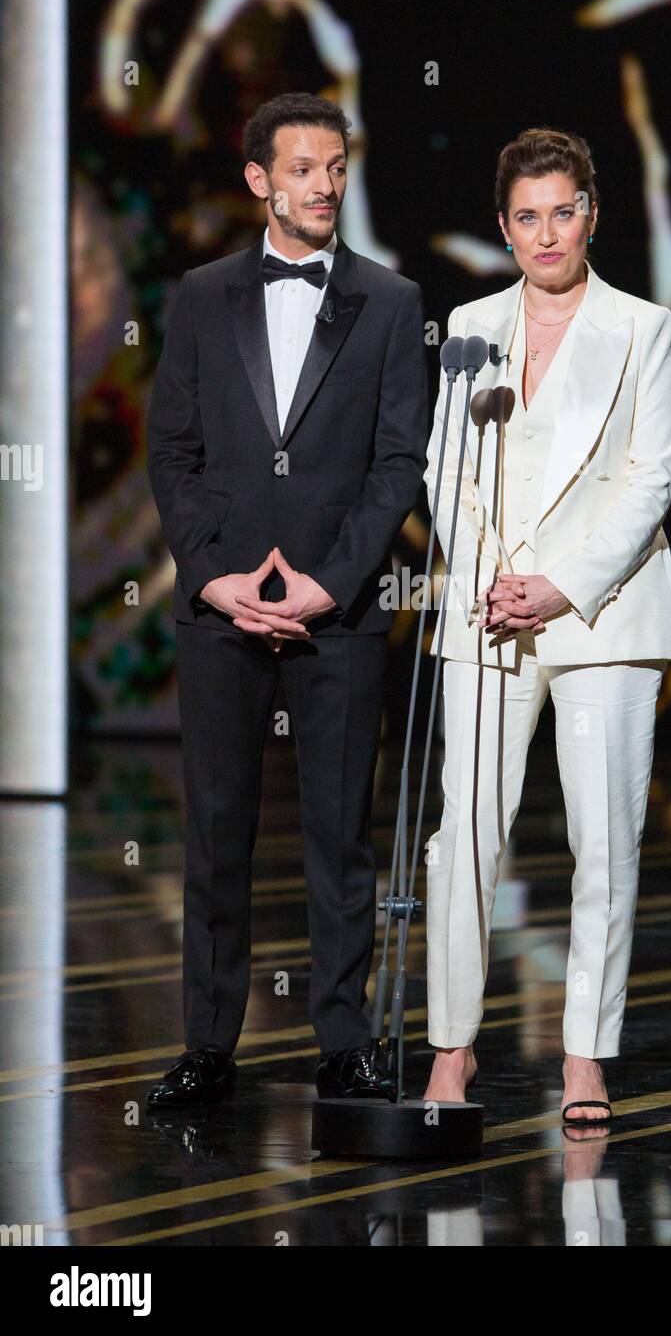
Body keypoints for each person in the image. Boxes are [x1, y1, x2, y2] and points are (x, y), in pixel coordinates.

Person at [145, 92, 428, 1108]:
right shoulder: (198, 293)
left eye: (336, 165)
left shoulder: (393, 303)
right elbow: (172, 452)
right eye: (302, 167)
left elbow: (398, 463)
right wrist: (213, 571)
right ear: (259, 180)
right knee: (217, 829)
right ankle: (207, 1044)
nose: (323, 184)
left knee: (336, 834)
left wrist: (331, 580)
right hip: (222, 606)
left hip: (336, 608)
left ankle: (343, 1039)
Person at [423, 128, 671, 1124]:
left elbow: (648, 476)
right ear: (503, 226)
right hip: (489, 611)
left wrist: (559, 584)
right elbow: (444, 468)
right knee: (462, 840)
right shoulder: (468, 323)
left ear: (591, 212)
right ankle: (451, 1048)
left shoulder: (641, 327)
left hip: (604, 614)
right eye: (526, 216)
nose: (546, 231)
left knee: (603, 840)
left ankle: (584, 1056)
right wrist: (493, 575)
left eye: (562, 210)